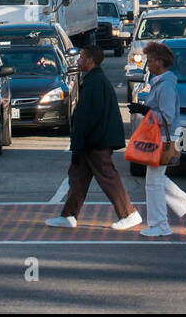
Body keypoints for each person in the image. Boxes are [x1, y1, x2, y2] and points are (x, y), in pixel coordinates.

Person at [46, 45, 141, 230]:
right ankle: (68, 215)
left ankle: (129, 213)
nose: (78, 60)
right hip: (93, 140)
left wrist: (79, 144)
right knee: (77, 176)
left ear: (90, 61)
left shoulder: (94, 82)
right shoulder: (94, 79)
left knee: (107, 175)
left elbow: (88, 117)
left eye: (81, 57)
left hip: (95, 141)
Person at [127, 41, 186, 237]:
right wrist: (146, 110)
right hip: (161, 136)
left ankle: (161, 224)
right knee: (156, 180)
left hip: (163, 137)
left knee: (153, 182)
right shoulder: (162, 83)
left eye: (151, 60)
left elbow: (167, 117)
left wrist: (145, 111)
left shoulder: (166, 86)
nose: (148, 64)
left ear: (161, 62)